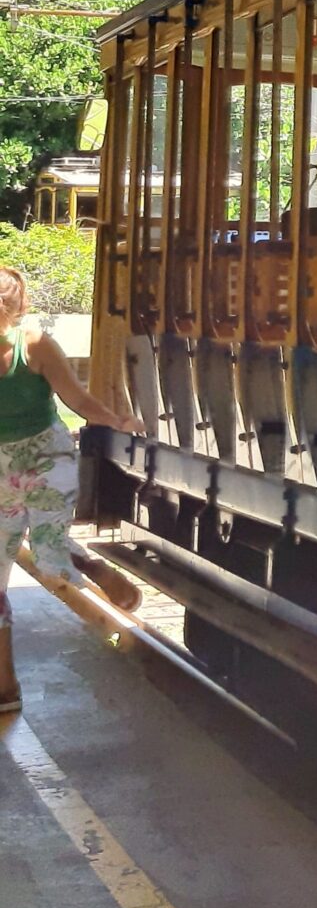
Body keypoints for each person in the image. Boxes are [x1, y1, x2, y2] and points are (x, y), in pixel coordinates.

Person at [0, 265, 145, 713]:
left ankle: (88, 565)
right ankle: (6, 685)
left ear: (13, 312)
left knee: (49, 560)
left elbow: (76, 399)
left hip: (47, 460)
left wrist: (120, 422)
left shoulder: (36, 346)